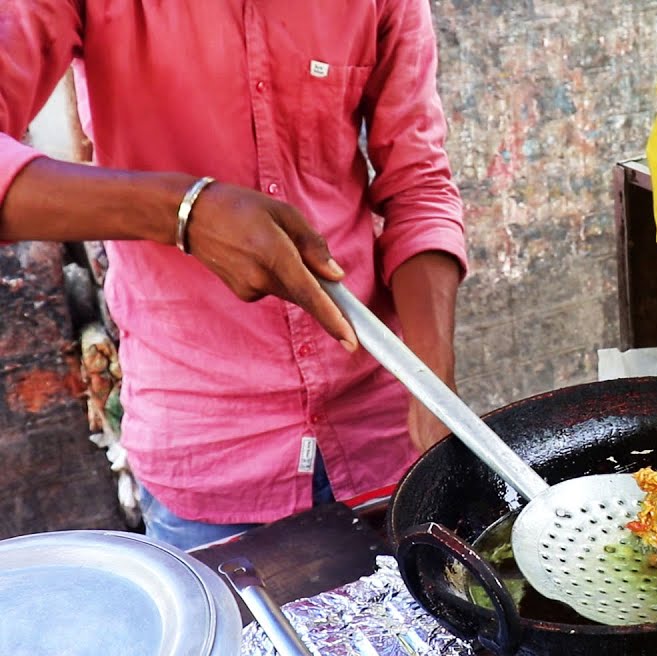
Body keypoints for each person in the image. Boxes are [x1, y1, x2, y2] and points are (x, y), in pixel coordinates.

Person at [0, 1, 467, 550]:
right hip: (207, 457)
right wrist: (182, 212)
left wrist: (430, 383)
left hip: (381, 437)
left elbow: (417, 186)